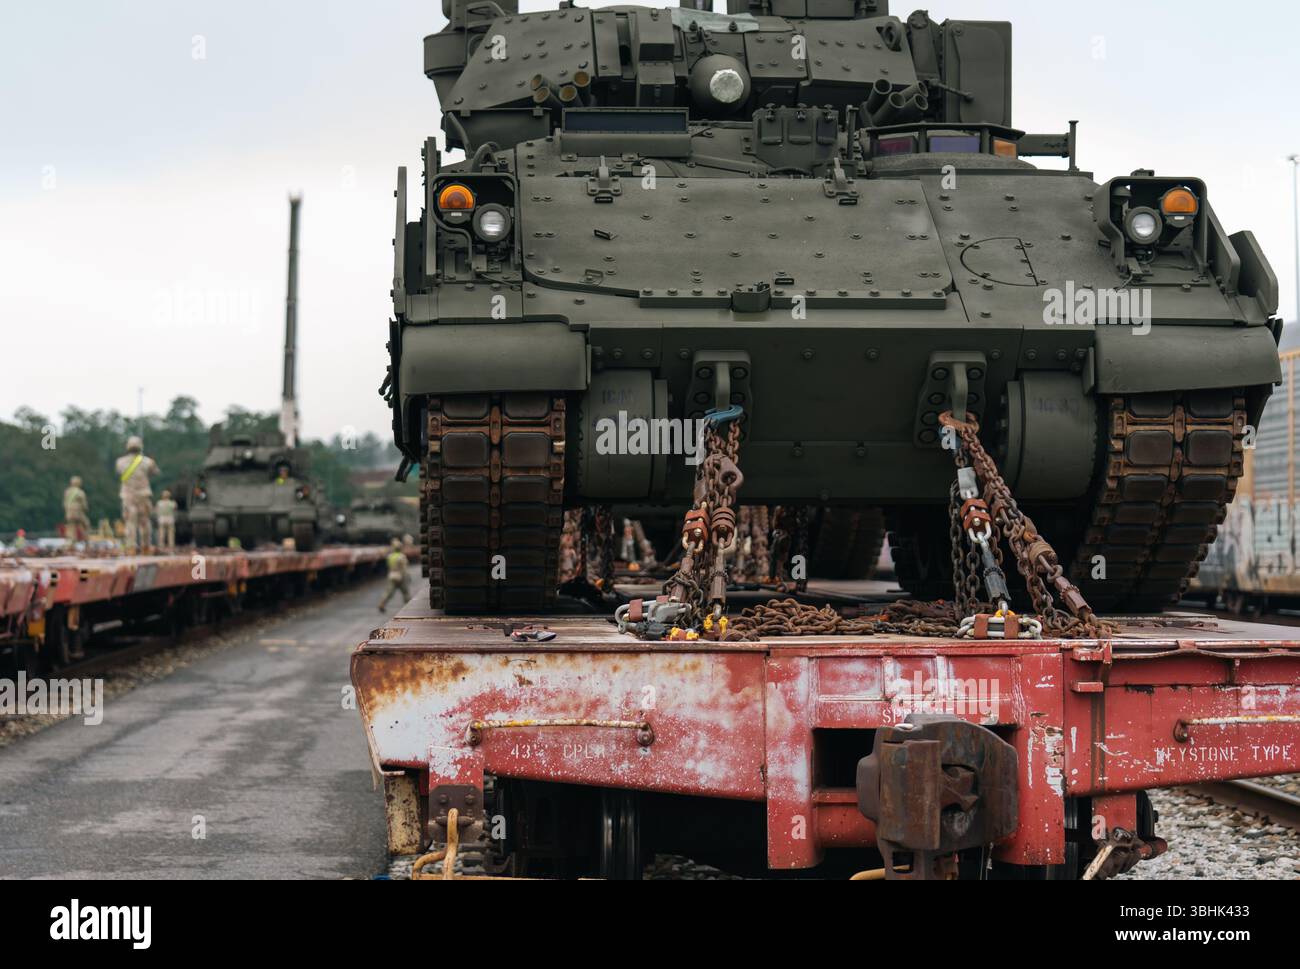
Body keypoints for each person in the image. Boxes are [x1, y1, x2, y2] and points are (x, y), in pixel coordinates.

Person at [114, 436, 160, 552]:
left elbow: (118, 472)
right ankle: (146, 546)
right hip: (143, 495)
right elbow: (156, 472)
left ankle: (131, 546)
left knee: (130, 521)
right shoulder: (147, 461)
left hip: (127, 495)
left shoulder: (120, 462)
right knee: (145, 521)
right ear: (140, 447)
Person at [379, 538, 410, 611]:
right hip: (400, 576)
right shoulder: (402, 556)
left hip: (392, 575)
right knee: (405, 592)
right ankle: (408, 607)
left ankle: (382, 604)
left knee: (389, 592)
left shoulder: (390, 556)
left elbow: (388, 565)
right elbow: (404, 568)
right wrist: (407, 576)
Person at [63, 476, 90, 544]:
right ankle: (86, 540)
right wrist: (86, 509)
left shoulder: (67, 492)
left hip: (69, 513)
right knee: (85, 524)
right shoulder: (80, 492)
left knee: (71, 526)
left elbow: (64, 503)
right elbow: (84, 505)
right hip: (78, 513)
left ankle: (71, 541)